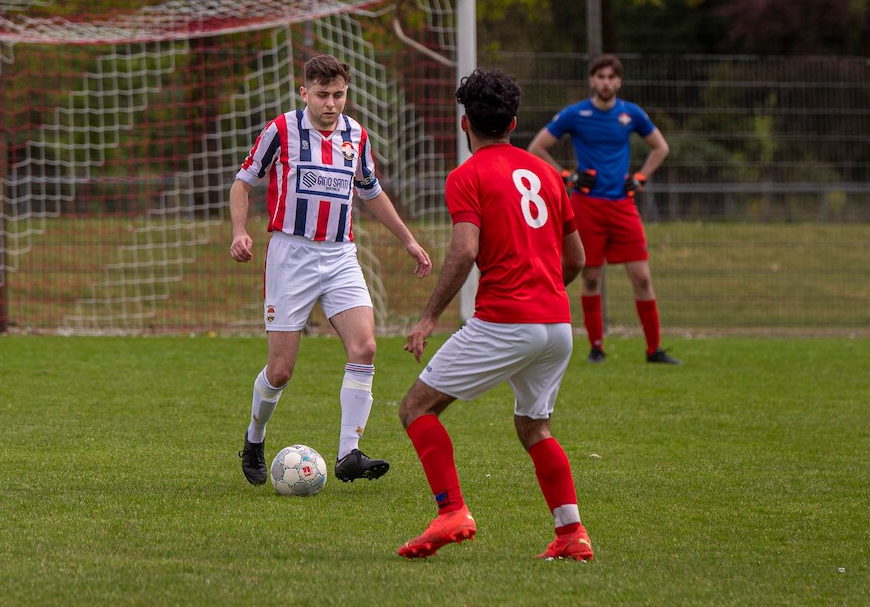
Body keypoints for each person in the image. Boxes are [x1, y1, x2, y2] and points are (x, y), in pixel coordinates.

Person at [395, 69, 593, 561]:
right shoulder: (546, 173)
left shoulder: (468, 175)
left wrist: (427, 318)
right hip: (557, 328)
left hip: (507, 321)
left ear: (466, 125)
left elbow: (464, 252)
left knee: (416, 408)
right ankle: (570, 534)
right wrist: (543, 295)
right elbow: (577, 260)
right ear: (515, 122)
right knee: (533, 427)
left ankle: (451, 511)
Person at [229, 54, 432, 487]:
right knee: (281, 370)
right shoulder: (281, 130)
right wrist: (239, 231)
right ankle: (254, 437)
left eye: (339, 94)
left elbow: (372, 192)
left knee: (365, 348)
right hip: (291, 255)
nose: (332, 104)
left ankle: (348, 454)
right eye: (322, 95)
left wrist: (409, 241)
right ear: (304, 93)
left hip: (340, 256)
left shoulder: (356, 135)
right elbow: (243, 182)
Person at [527, 53, 679, 365]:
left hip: (623, 207)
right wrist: (567, 177)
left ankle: (654, 350)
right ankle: (596, 348)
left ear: (619, 81)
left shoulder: (630, 114)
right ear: (592, 81)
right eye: (601, 77)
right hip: (586, 207)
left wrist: (640, 178)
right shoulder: (575, 114)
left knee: (642, 278)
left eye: (611, 77)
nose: (606, 82)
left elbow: (660, 147)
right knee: (591, 277)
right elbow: (537, 148)